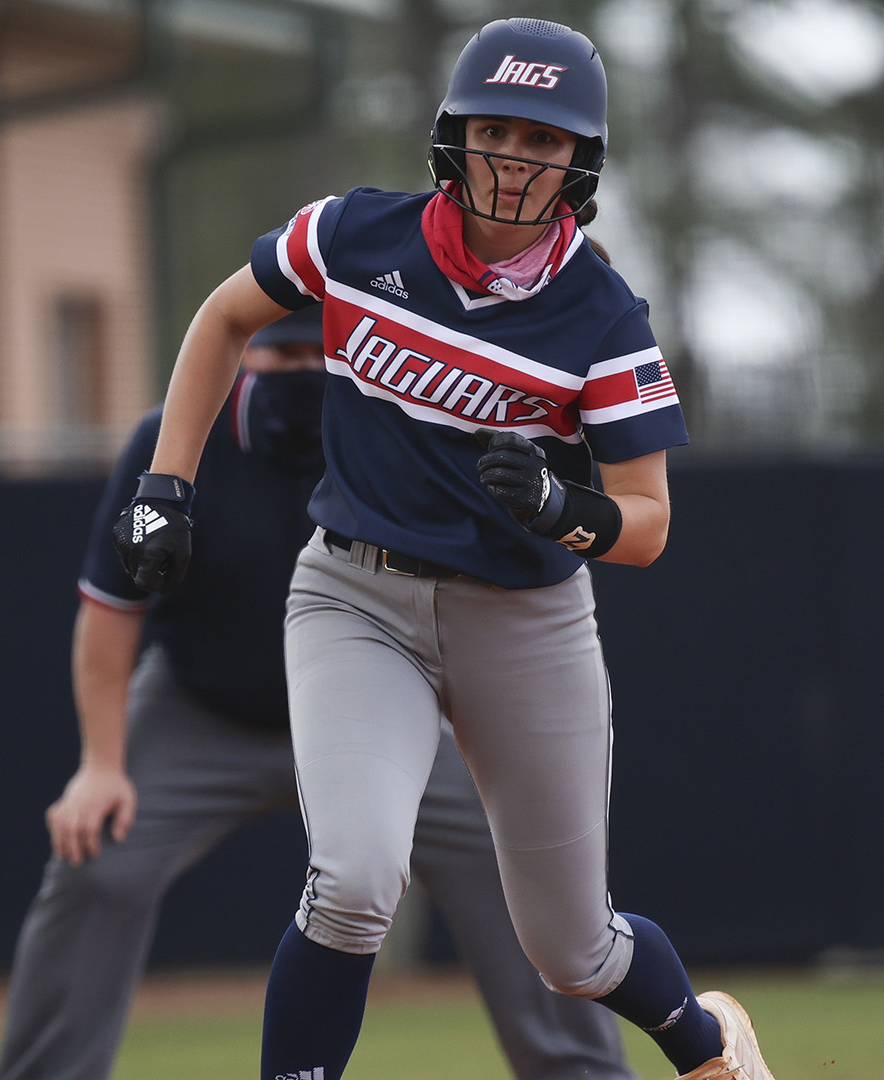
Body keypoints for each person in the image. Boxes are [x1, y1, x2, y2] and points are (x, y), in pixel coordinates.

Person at [109, 16, 779, 1080]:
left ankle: (707, 1045)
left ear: (582, 163)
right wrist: (164, 486)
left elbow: (648, 526)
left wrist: (567, 506)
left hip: (522, 617)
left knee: (571, 949)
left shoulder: (603, 317)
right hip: (355, 595)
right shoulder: (355, 236)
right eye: (497, 130)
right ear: (453, 135)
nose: (515, 159)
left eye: (545, 140)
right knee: (353, 883)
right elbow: (222, 321)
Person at [0, 304, 636, 1080]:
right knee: (95, 857)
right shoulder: (176, 440)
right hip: (205, 709)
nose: (301, 373)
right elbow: (110, 607)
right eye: (279, 357)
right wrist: (100, 762)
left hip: (396, 709)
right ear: (242, 359)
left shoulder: (394, 433)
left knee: (527, 882)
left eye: (315, 356)